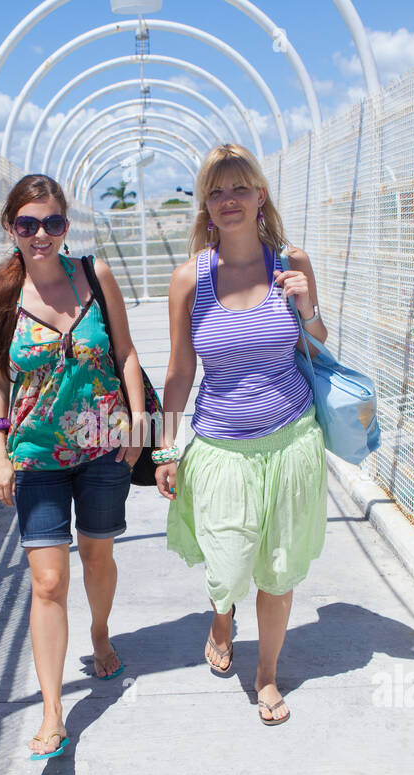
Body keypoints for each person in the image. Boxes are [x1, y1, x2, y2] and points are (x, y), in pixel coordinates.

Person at [154, 144, 329, 726]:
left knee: (278, 571)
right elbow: (179, 374)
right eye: (217, 191)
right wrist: (163, 445)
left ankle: (268, 676)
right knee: (226, 569)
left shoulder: (291, 262)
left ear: (260, 197)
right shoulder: (190, 279)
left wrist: (305, 305)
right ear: (206, 204)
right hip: (222, 448)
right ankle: (222, 615)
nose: (229, 200)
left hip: (291, 440)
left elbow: (321, 341)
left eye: (240, 189)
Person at [0, 174, 147, 759]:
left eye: (52, 223)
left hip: (102, 446)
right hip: (36, 457)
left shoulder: (94, 275)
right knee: (48, 581)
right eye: (28, 224)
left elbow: (125, 351)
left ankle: (100, 632)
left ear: (66, 226)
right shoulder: (0, 297)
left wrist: (140, 423)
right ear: (11, 228)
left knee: (98, 556)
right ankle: (54, 713)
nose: (40, 234)